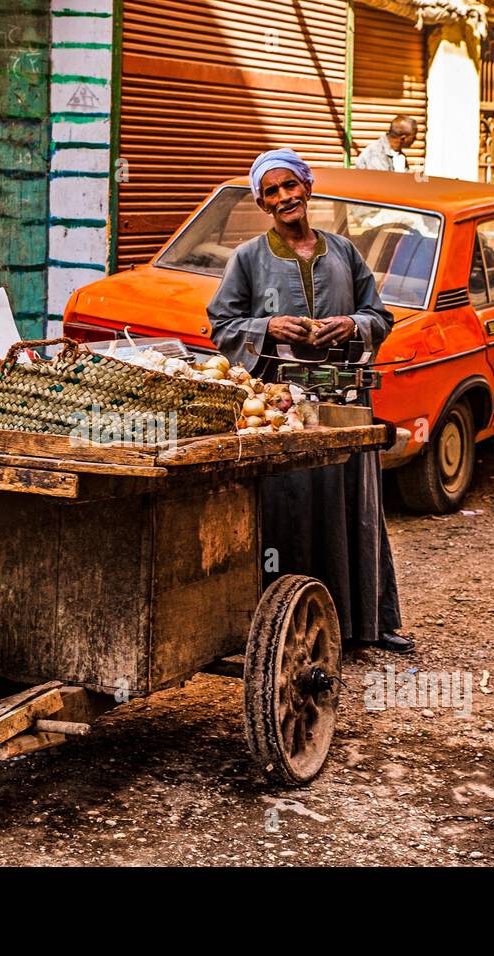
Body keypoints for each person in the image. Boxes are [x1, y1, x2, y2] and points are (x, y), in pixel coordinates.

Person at [208, 147, 412, 653]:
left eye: (290, 186)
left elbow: (379, 317)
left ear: (307, 187)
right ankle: (286, 631)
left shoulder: (344, 251)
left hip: (344, 401)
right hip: (281, 409)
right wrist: (267, 326)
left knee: (351, 504)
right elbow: (221, 326)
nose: (284, 198)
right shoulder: (249, 258)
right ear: (261, 202)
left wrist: (354, 324)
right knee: (291, 508)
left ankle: (363, 623)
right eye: (271, 192)